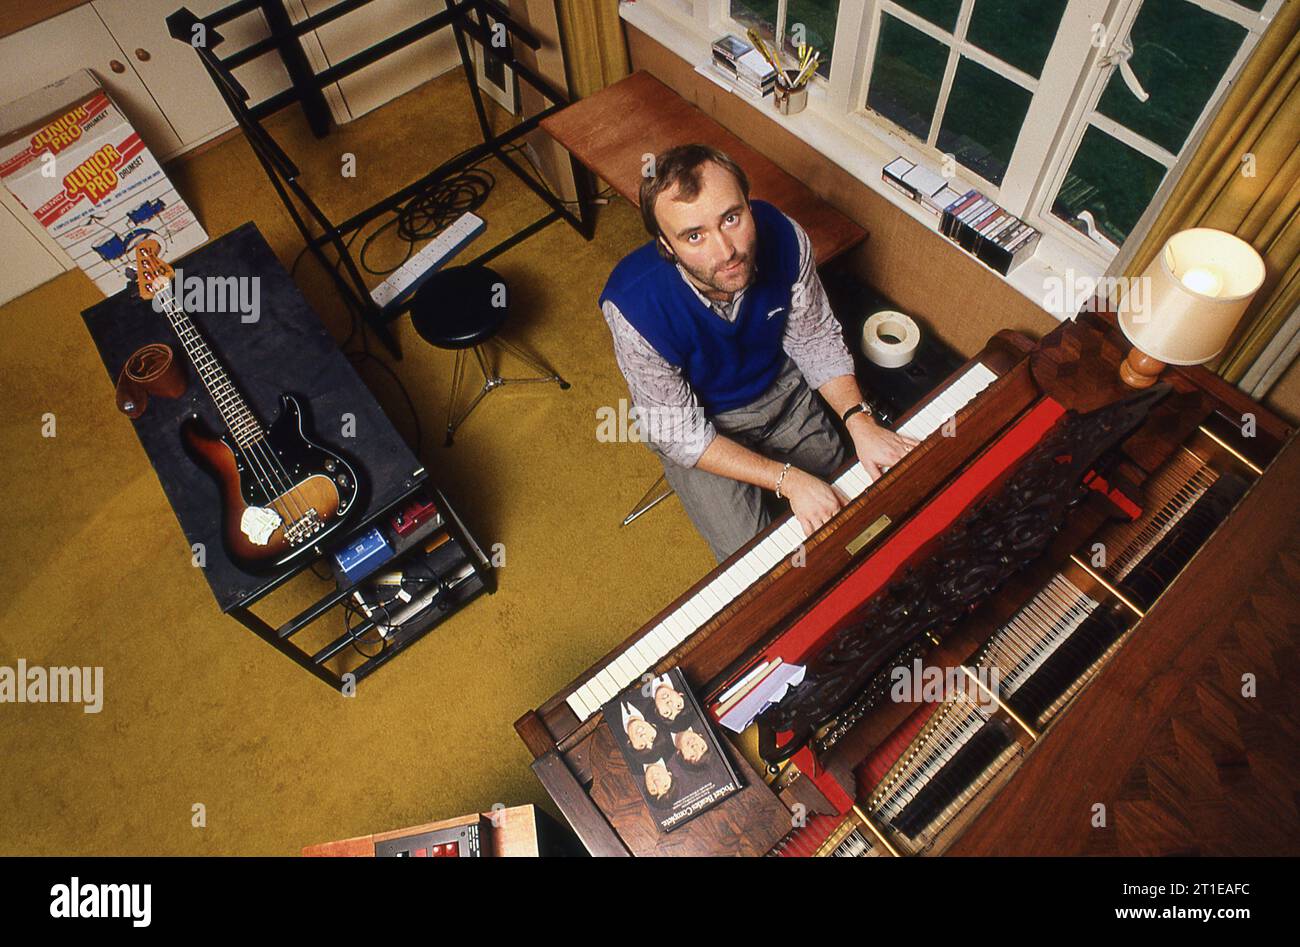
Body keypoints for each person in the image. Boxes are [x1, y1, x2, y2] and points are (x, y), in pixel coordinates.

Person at [600, 143, 915, 562]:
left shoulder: (784, 235)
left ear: (748, 206)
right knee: (758, 559)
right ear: (666, 245)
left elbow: (814, 337)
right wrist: (788, 480)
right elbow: (679, 433)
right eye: (694, 236)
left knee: (854, 505)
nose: (726, 251)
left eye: (731, 218)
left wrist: (860, 421)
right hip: (703, 423)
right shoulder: (631, 304)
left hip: (782, 391)